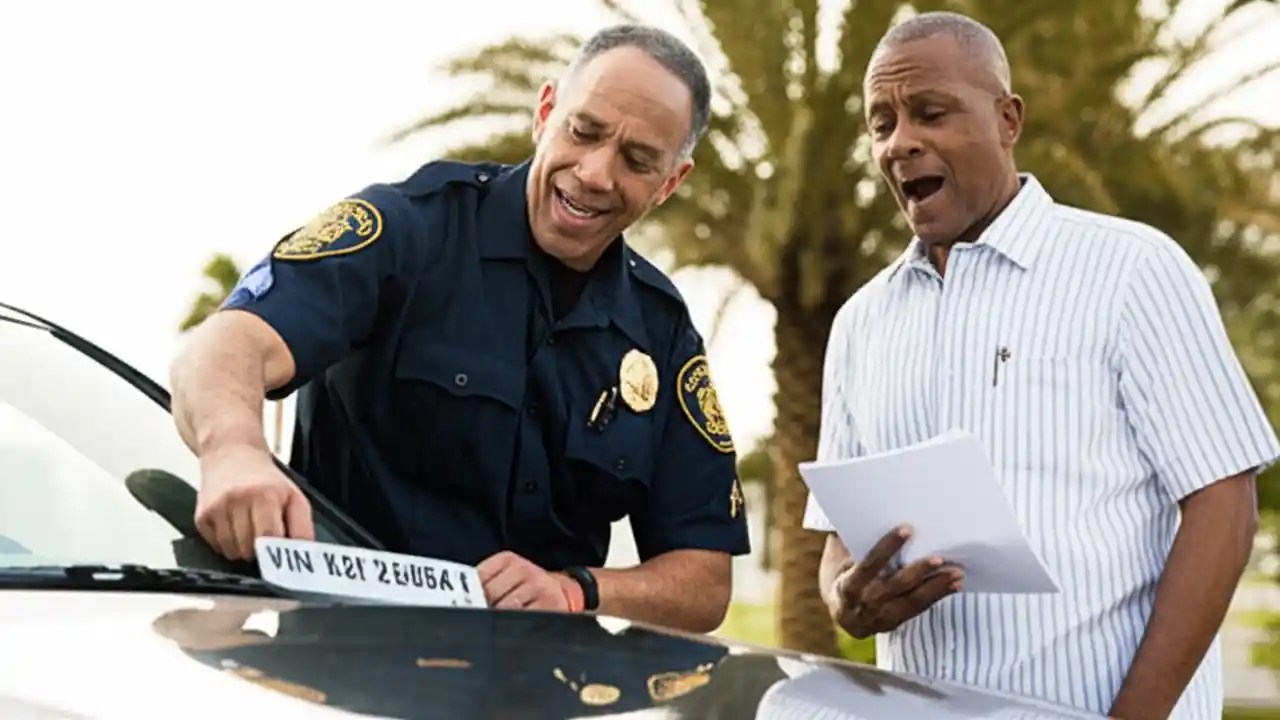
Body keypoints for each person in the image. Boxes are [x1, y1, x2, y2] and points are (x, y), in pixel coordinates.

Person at [169, 23, 750, 634]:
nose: (597, 173)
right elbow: (224, 346)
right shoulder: (406, 231)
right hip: (351, 670)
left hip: (539, 691)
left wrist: (573, 589)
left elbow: (704, 583)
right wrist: (234, 452)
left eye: (637, 161)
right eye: (585, 131)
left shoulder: (660, 331)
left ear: (670, 182)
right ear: (546, 111)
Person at [802, 11, 1280, 720]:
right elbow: (842, 535)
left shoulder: (1131, 271)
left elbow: (1222, 506)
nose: (901, 142)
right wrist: (845, 596)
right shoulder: (861, 322)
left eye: (930, 112)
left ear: (1007, 119)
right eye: (881, 123)